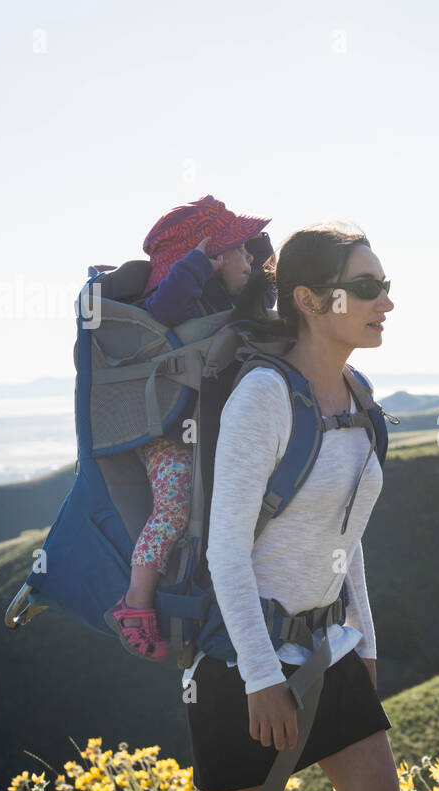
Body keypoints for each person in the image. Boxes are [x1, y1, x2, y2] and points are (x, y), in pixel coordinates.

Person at [150, 220, 405, 791]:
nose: (386, 302)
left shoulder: (360, 399)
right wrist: (262, 675)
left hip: (328, 647)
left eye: (386, 285)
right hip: (245, 658)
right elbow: (226, 550)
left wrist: (365, 641)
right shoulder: (263, 397)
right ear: (309, 301)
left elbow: (348, 535)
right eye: (366, 287)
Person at [108, 195, 272, 661]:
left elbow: (262, 297)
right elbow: (165, 310)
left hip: (204, 428)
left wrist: (259, 262)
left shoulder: (225, 297)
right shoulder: (183, 298)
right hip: (166, 434)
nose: (249, 258)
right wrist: (197, 264)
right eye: (239, 250)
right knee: (174, 507)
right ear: (212, 260)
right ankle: (135, 604)